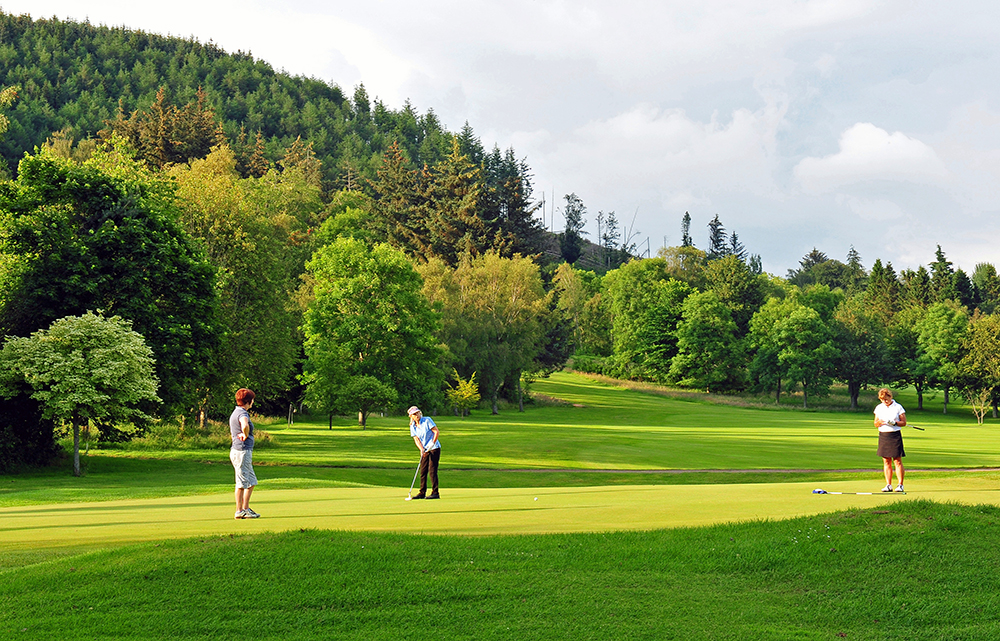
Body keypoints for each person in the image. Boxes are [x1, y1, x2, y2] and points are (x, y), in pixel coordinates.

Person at [230, 388, 260, 518]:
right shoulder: (242, 413)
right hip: (242, 451)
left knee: (251, 481)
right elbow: (244, 425)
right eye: (252, 400)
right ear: (249, 401)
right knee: (242, 482)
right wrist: (245, 434)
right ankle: (239, 510)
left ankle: (245, 508)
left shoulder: (237, 411)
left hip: (241, 451)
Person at [874, 388, 906, 493]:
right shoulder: (879, 408)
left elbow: (904, 422)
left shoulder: (898, 407)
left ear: (890, 397)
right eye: (882, 400)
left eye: (886, 399)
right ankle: (888, 485)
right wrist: (880, 422)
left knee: (897, 460)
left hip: (895, 435)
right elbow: (875, 423)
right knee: (886, 460)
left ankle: (900, 485)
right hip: (884, 435)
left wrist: (895, 422)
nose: (885, 402)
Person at [408, 406, 441, 499]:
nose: (417, 415)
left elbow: (436, 431)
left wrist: (432, 443)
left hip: (434, 447)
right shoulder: (412, 426)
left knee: (432, 470)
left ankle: (435, 493)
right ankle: (422, 492)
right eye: (414, 414)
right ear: (411, 416)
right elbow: (416, 439)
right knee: (423, 471)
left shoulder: (427, 420)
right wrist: (421, 449)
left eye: (417, 413)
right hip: (425, 449)